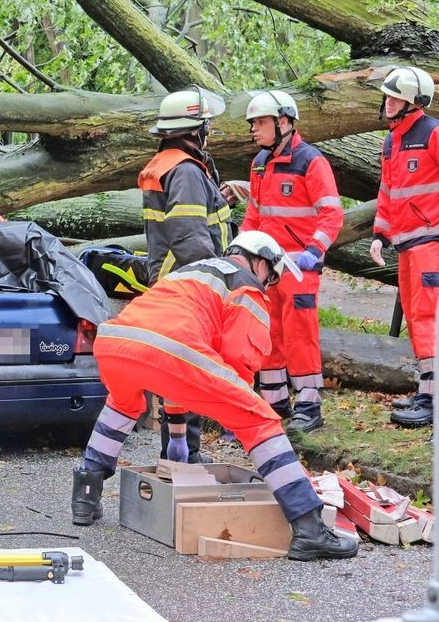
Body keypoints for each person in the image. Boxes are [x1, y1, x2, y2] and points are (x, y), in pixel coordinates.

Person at [70, 231, 357, 561]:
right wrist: (238, 409)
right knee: (259, 419)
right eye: (271, 277)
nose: (269, 285)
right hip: (170, 350)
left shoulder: (193, 271)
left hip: (116, 343)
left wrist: (178, 437)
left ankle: (85, 498)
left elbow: (181, 373)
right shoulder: (246, 286)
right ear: (260, 262)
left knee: (122, 405)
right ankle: (309, 528)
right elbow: (237, 360)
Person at [238, 91, 344, 434]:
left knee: (300, 335)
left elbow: (331, 214)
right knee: (268, 332)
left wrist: (314, 251)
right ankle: (274, 400)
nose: (255, 128)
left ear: (283, 121)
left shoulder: (312, 162)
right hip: (267, 269)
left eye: (260, 122)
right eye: (253, 123)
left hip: (299, 266)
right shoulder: (259, 163)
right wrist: (241, 250)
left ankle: (309, 403)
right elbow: (254, 214)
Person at [139, 86, 233, 464]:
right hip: (188, 283)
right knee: (186, 373)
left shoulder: (170, 165)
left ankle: (177, 453)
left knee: (174, 372)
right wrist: (218, 277)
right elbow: (189, 235)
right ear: (195, 130)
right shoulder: (187, 172)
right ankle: (185, 455)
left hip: (170, 281)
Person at [370, 66, 439, 428]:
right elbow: (388, 192)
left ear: (414, 101)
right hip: (406, 244)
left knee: (429, 318)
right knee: (415, 318)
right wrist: (380, 234)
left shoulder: (433, 133)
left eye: (395, 96)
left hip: (431, 242)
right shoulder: (391, 141)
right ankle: (426, 390)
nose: (388, 102)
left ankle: (432, 398)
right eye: (387, 96)